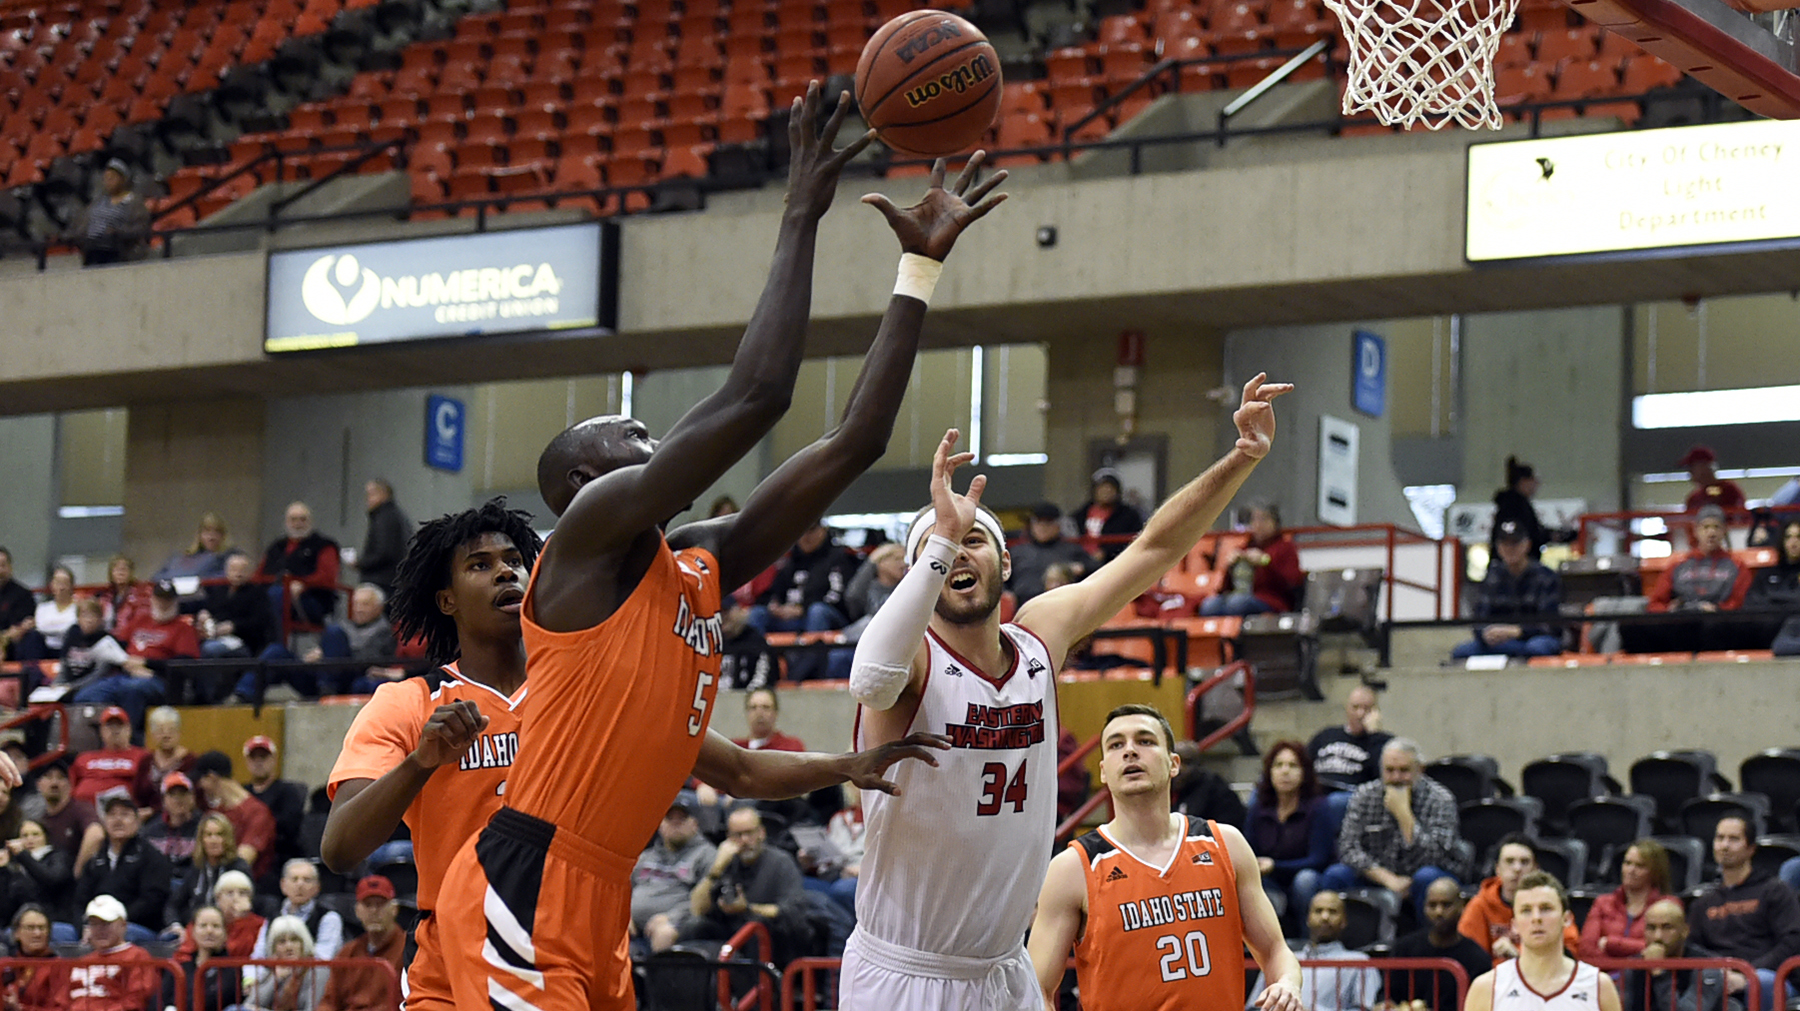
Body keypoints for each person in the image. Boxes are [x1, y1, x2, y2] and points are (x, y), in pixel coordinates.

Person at [434, 95, 1005, 1011]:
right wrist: (800, 208)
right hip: (525, 878)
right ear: (585, 478)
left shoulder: (693, 565)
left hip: (596, 893)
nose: (651, 433)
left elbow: (854, 442)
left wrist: (917, 271)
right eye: (628, 429)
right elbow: (758, 395)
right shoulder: (581, 545)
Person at [330, 498, 945, 1011]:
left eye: (517, 561)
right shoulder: (408, 705)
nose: (507, 574)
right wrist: (421, 762)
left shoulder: (586, 687)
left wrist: (847, 764)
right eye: (481, 565)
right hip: (457, 958)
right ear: (445, 599)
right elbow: (341, 847)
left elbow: (737, 769)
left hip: (590, 943)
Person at [843, 371, 1290, 1009]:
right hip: (907, 970)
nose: (959, 555)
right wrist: (939, 538)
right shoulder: (910, 661)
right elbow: (869, 677)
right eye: (941, 551)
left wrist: (1241, 458)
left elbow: (1155, 548)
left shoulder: (1038, 638)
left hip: (1003, 969)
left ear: (1003, 560)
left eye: (975, 540)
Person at [1026, 704, 1302, 1011]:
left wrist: (1287, 984)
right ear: (1104, 771)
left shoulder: (1226, 844)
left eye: (1145, 741)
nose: (1130, 752)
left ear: (1173, 764)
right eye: (1116, 745)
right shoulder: (1073, 867)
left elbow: (1276, 950)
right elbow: (1037, 989)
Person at [1320, 738, 1464, 921]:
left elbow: (1435, 856)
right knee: (1336, 875)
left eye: (1404, 771)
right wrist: (1388, 880)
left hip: (1424, 875)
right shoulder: (1365, 795)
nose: (1396, 778)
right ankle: (1334, 945)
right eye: (1389, 771)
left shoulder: (1441, 799)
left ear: (1420, 770)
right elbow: (1348, 848)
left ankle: (1430, 945)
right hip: (1378, 874)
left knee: (1426, 877)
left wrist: (1404, 815)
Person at [1686, 814, 1800, 1011]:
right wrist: (1720, 974)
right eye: (1720, 838)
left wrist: (1747, 973)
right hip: (1718, 978)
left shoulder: (1775, 891)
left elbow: (1791, 942)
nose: (1725, 845)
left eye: (1734, 839)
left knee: (1762, 982)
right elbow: (1693, 949)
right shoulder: (1703, 904)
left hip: (1766, 976)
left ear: (1751, 848)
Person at [1464, 871, 1620, 1011]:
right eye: (1526, 911)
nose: (1536, 918)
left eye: (1545, 908)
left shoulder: (1599, 986)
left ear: (1566, 919)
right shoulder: (1487, 988)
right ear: (1515, 925)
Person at [679, 806, 810, 964]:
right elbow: (697, 909)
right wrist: (716, 869)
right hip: (731, 929)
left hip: (772, 935)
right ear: (728, 837)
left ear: (761, 832)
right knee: (693, 926)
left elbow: (792, 910)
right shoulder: (725, 862)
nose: (745, 840)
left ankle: (756, 985)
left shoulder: (781, 862)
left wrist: (746, 908)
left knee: (754, 927)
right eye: (737, 835)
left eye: (749, 833)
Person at [1623, 505, 1755, 654]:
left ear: (1724, 531)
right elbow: (1656, 603)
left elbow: (1740, 603)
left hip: (1717, 622)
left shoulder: (1737, 565)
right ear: (1696, 531)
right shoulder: (1678, 565)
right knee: (1630, 626)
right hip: (1681, 620)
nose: (1711, 533)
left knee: (1716, 627)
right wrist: (1670, 609)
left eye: (1716, 527)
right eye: (1706, 527)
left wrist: (1718, 610)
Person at [748, 521, 862, 680]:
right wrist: (774, 607)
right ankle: (754, 670)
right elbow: (772, 592)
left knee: (818, 611)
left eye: (812, 530)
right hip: (790, 620)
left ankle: (801, 675)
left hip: (826, 619)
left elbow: (839, 597)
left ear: (823, 530)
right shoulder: (790, 561)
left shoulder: (838, 557)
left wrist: (803, 609)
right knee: (757, 613)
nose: (806, 537)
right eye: (802, 532)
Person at [1244, 739, 1332, 929]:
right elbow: (1249, 852)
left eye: (1293, 765)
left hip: (1307, 877)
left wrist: (1275, 866)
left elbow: (1319, 859)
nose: (1285, 771)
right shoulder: (1258, 808)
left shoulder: (1318, 807)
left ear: (1304, 772)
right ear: (1269, 772)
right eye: (1279, 765)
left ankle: (1308, 945)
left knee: (1305, 880)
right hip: (1269, 880)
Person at [76, 581, 192, 725]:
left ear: (175, 601)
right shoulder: (141, 620)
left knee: (131, 690)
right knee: (85, 696)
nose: (163, 603)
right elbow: (119, 645)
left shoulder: (183, 628)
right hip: (125, 673)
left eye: (167, 599)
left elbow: (183, 663)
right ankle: (104, 738)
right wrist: (127, 664)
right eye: (159, 598)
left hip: (157, 679)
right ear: (152, 599)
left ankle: (130, 740)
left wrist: (146, 664)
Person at [72, 786, 172, 945]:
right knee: (59, 932)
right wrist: (85, 926)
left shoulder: (151, 856)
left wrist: (114, 922)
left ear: (137, 821)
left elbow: (152, 900)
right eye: (112, 815)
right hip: (96, 924)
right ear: (104, 822)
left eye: (125, 815)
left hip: (137, 925)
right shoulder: (95, 859)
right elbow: (79, 901)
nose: (118, 820)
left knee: (122, 934)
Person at [1249, 892, 1380, 1011]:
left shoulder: (1360, 962)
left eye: (1333, 911)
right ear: (1308, 919)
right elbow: (1253, 1007)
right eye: (1318, 911)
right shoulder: (1281, 959)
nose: (1325, 917)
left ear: (1344, 921)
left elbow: (1365, 1009)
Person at [1460, 833, 1580, 962]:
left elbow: (1570, 951)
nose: (1517, 869)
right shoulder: (1480, 904)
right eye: (1509, 861)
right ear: (1497, 869)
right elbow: (1468, 956)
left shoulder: (1551, 903)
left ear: (1535, 868)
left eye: (1525, 862)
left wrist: (1519, 956)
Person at [1454, 521, 1563, 659]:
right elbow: (1479, 618)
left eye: (1515, 543)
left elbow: (1550, 625)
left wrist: (1518, 631)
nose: (1510, 549)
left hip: (1531, 640)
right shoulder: (1492, 576)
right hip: (1499, 641)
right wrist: (1486, 633)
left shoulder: (1546, 577)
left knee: (1538, 648)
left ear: (1527, 545)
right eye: (1505, 544)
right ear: (1498, 547)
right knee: (1461, 652)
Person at [1385, 877, 1496, 1010]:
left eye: (1446, 905)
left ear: (1461, 906)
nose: (1439, 912)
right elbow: (1387, 995)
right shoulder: (1403, 949)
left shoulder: (1477, 959)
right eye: (1432, 905)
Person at [1621, 898, 1742, 1011]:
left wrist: (1660, 973)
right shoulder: (1634, 966)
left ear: (1685, 931)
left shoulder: (1707, 966)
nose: (1657, 936)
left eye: (1667, 927)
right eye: (1651, 928)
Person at [632, 794, 716, 954]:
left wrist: (671, 917)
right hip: (636, 926)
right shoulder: (645, 856)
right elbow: (623, 890)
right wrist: (624, 916)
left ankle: (657, 979)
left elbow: (705, 900)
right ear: (660, 825)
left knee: (664, 933)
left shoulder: (706, 855)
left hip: (678, 923)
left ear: (695, 824)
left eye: (682, 820)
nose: (675, 824)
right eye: (669, 819)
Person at [315, 876, 405, 1011]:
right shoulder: (347, 952)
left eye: (380, 904)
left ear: (394, 909)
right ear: (357, 911)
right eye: (368, 905)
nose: (374, 911)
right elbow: (329, 1001)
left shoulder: (409, 948)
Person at [59, 895, 161, 1011]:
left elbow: (136, 1000)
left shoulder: (138, 956)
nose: (100, 930)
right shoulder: (82, 961)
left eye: (106, 924)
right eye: (94, 924)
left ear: (123, 925)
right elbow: (61, 1001)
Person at [1579, 838, 1673, 961]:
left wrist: (1611, 943)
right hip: (1604, 976)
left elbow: (1663, 949)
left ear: (1655, 872)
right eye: (1627, 863)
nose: (1631, 870)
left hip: (1644, 977)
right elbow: (1586, 950)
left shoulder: (1668, 905)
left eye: (1640, 866)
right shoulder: (1602, 903)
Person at [1204, 502, 1303, 616]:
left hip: (1272, 600)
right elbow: (1226, 588)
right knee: (1209, 606)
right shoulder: (1244, 548)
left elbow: (1293, 582)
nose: (1258, 525)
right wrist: (1231, 566)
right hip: (1241, 597)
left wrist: (1265, 562)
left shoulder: (1285, 547)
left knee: (1237, 603)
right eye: (1254, 520)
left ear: (1275, 523)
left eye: (1263, 520)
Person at [190, 751, 276, 880]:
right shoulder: (217, 812)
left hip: (248, 885)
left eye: (202, 780)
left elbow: (245, 859)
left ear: (212, 777)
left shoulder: (257, 813)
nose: (200, 786)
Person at [258, 502, 342, 627]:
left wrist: (304, 584)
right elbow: (259, 575)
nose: (297, 524)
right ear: (286, 522)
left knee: (276, 595)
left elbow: (327, 577)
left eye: (302, 519)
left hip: (310, 600)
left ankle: (276, 643)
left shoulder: (324, 545)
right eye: (293, 519)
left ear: (310, 522)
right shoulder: (276, 547)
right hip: (273, 597)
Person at [168, 811, 250, 934]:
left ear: (227, 838)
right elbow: (173, 905)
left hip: (227, 932)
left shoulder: (239, 868)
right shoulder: (197, 867)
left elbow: (244, 908)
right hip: (195, 931)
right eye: (208, 835)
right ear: (201, 840)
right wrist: (176, 926)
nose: (213, 840)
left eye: (219, 835)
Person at [250, 860, 344, 963]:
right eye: (294, 879)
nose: (300, 885)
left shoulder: (329, 918)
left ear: (317, 887)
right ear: (283, 885)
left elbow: (323, 958)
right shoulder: (272, 916)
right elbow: (258, 956)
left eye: (307, 880)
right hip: (276, 975)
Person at [197, 551, 280, 664]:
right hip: (216, 635)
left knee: (210, 649)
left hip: (244, 640)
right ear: (226, 571)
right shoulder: (219, 591)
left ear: (251, 572)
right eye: (234, 569)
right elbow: (209, 609)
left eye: (242, 570)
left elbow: (259, 623)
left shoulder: (258, 593)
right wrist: (204, 614)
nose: (238, 574)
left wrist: (234, 626)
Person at [67, 158, 151, 266]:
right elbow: (82, 226)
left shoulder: (134, 203)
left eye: (112, 178)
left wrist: (118, 232)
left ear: (123, 179)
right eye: (106, 178)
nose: (108, 181)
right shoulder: (97, 203)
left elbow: (141, 228)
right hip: (93, 252)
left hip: (119, 253)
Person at [1308, 684, 1392, 789]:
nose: (1360, 714)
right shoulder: (1325, 735)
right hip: (1320, 792)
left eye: (1367, 708)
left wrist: (1374, 734)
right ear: (1347, 709)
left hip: (1353, 795)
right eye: (1355, 707)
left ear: (1376, 712)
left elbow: (1381, 776)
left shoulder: (1384, 742)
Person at [243, 737, 305, 877]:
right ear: (247, 762)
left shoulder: (289, 792)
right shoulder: (243, 792)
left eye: (263, 757)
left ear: (274, 760)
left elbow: (289, 827)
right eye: (254, 758)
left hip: (279, 860)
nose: (259, 762)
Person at [163, 905, 244, 1011]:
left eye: (216, 926)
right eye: (203, 925)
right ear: (193, 931)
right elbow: (161, 999)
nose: (209, 931)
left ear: (225, 933)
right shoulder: (180, 967)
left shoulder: (233, 969)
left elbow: (217, 999)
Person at [1006, 502, 1089, 603]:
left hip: (1061, 604)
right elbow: (1001, 578)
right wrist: (1006, 594)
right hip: (1022, 605)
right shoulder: (1016, 551)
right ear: (1031, 525)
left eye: (1048, 522)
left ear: (1058, 525)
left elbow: (1096, 569)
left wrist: (1082, 568)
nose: (1042, 527)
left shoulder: (1072, 550)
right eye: (1038, 522)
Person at [244, 915, 330, 1011]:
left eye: (294, 940)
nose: (289, 946)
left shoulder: (318, 970)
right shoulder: (272, 968)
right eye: (282, 942)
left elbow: (312, 1008)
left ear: (304, 943)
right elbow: (249, 1005)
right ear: (274, 948)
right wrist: (276, 978)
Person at [34, 760, 102, 869]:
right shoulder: (40, 817)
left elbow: (96, 834)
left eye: (61, 778)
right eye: (48, 777)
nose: (54, 783)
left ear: (70, 784)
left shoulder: (80, 808)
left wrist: (78, 870)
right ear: (39, 784)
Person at [70, 709, 146, 806]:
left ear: (129, 729)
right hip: (83, 813)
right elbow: (69, 787)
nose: (115, 730)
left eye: (119, 725)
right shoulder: (84, 758)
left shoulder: (142, 756)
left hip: (123, 812)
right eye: (110, 726)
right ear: (102, 731)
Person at [6, 821, 75, 926]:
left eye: (35, 834)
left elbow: (52, 879)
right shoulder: (16, 864)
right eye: (25, 836)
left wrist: (24, 856)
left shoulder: (58, 857)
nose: (30, 839)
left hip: (55, 921)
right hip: (21, 923)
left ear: (45, 837)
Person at [1170, 740, 1248, 830]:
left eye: (1187, 763)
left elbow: (1228, 829)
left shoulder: (1217, 791)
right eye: (1175, 763)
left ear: (1199, 764)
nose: (1180, 769)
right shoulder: (1165, 787)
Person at [1072, 467, 1146, 563]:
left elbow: (1133, 541)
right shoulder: (1080, 515)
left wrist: (1106, 552)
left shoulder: (1129, 516)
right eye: (1102, 487)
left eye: (1110, 488)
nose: (1106, 491)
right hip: (1081, 563)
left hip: (1115, 564)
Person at [132, 707, 195, 816]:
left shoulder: (191, 761)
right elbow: (137, 795)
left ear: (179, 733)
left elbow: (194, 799)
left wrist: (153, 811)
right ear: (152, 734)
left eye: (171, 730)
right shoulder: (146, 761)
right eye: (160, 731)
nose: (166, 736)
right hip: (146, 821)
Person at [1491, 456, 1553, 562]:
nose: (1536, 485)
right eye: (1534, 480)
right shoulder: (1516, 506)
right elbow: (1530, 533)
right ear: (1523, 481)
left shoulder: (1510, 505)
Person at [358, 480, 412, 596]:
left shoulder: (385, 518)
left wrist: (360, 563)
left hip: (381, 581)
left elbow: (384, 552)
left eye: (370, 494)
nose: (367, 499)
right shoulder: (398, 516)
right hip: (393, 579)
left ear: (383, 494)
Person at [6, 904, 62, 1011]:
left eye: (42, 928)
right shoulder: (7, 965)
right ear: (16, 933)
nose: (37, 934)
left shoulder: (58, 966)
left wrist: (21, 1009)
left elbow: (60, 1008)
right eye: (30, 928)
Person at [138, 772, 200, 867]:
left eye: (183, 794)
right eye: (172, 795)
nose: (178, 799)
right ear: (163, 800)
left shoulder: (203, 827)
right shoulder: (151, 831)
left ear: (192, 798)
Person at [153, 512, 233, 583]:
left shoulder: (229, 557)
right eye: (207, 532)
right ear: (199, 535)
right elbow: (156, 578)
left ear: (223, 535)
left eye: (216, 532)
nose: (211, 537)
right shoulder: (179, 557)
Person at [20, 566, 78, 660]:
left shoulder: (77, 608)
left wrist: (51, 626)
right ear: (51, 585)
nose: (61, 587)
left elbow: (73, 629)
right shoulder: (43, 608)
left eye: (65, 583)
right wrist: (63, 628)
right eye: (58, 583)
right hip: (45, 648)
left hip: (68, 649)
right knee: (32, 636)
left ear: (72, 586)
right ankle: (34, 670)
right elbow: (41, 627)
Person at [210, 869, 264, 957]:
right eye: (229, 893)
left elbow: (238, 953)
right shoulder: (207, 920)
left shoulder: (259, 925)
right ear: (218, 898)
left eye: (242, 893)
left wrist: (241, 919)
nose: (236, 898)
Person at [1681, 447, 1747, 515]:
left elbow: (1740, 518)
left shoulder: (1729, 491)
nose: (1689, 472)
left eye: (1691, 467)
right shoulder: (1693, 499)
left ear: (1705, 466)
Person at [735, 689, 804, 753]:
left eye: (766, 707)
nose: (759, 713)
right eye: (753, 707)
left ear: (775, 713)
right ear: (747, 713)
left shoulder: (791, 748)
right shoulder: (736, 749)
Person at [0, 549, 35, 663]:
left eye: (3, 565)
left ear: (10, 567)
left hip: (12, 647)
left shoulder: (23, 595)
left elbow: (19, 628)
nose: (0, 570)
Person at [100, 556, 148, 636]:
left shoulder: (141, 595)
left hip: (131, 637)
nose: (120, 573)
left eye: (124, 569)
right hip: (108, 638)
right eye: (117, 570)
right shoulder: (104, 596)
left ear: (131, 573)